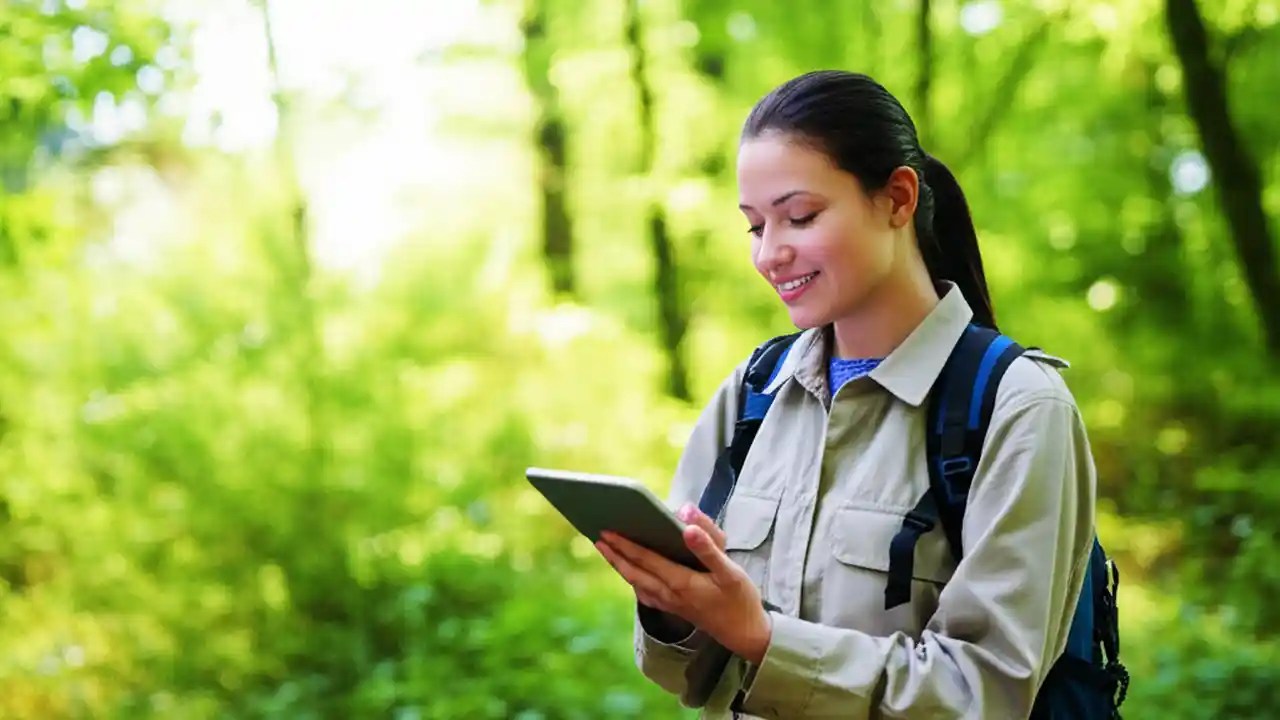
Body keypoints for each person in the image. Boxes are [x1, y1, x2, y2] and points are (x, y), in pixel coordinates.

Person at [593, 70, 1099, 719]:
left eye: (799, 217)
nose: (769, 254)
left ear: (897, 198)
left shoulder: (1018, 408)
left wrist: (764, 636)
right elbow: (690, 681)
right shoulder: (751, 395)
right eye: (754, 226)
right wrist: (673, 610)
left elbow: (988, 693)